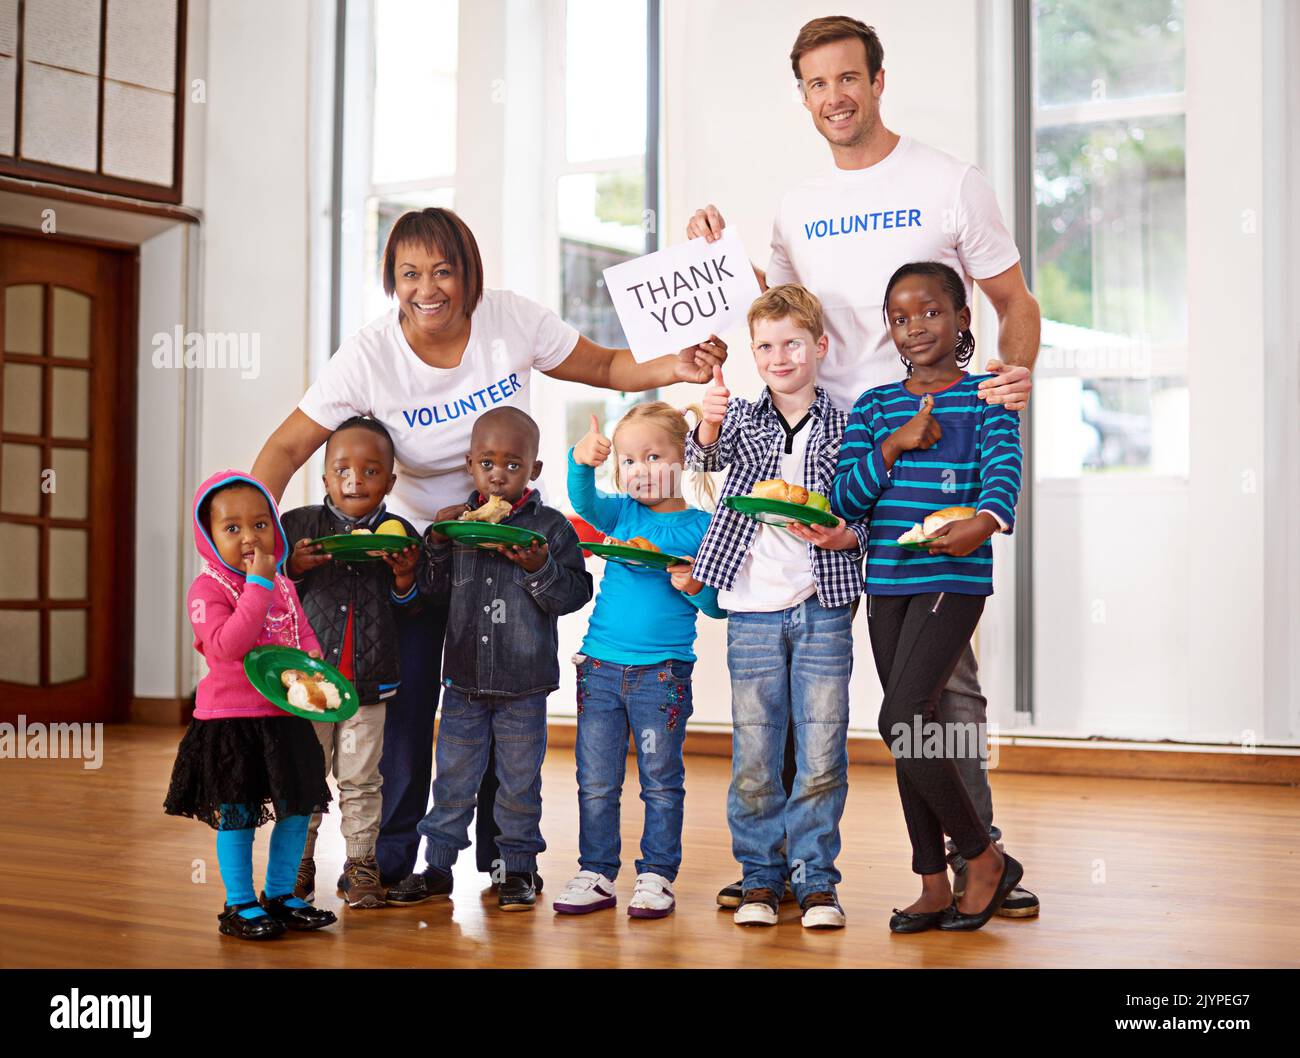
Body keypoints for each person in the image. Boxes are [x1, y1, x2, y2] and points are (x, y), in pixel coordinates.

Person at [251, 208, 726, 899]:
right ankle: (397, 858)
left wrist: (671, 368)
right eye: (409, 274)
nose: (427, 288)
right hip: (420, 550)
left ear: (468, 272)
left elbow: (602, 364)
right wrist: (247, 544)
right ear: (392, 280)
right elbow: (288, 447)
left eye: (442, 270)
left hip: (505, 550)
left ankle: (510, 863)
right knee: (410, 712)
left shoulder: (510, 321)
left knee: (506, 703)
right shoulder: (370, 355)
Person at [686, 15, 1040, 915]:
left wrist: (1013, 375)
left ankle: (978, 863)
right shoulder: (796, 205)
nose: (834, 97)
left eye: (848, 78)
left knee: (939, 682)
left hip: (942, 447)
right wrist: (707, 253)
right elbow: (767, 310)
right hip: (838, 450)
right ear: (802, 95)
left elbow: (1011, 300)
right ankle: (793, 867)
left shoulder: (949, 181)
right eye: (816, 84)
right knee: (828, 664)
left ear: (879, 80)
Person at [830, 261, 1025, 931]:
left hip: (951, 577)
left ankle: (983, 856)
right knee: (913, 728)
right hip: (886, 583)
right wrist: (894, 445)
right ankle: (931, 882)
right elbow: (845, 499)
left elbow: (1003, 471)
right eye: (900, 317)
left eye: (930, 312)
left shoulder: (987, 397)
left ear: (963, 317)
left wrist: (985, 523)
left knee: (902, 718)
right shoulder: (876, 407)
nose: (914, 327)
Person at [686, 285, 868, 930]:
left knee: (821, 751)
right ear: (752, 354)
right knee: (756, 752)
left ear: (820, 347)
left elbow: (867, 510)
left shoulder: (852, 423)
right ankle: (761, 877)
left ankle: (816, 879)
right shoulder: (736, 416)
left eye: (793, 343)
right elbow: (700, 472)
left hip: (823, 601)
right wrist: (706, 422)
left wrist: (848, 535)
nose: (779, 356)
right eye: (765, 345)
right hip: (752, 607)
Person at [401, 407, 593, 911]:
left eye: (513, 464)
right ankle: (437, 867)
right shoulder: (456, 526)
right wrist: (437, 548)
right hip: (462, 682)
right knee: (453, 781)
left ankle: (519, 868)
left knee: (518, 785)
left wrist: (539, 566)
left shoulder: (550, 529)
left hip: (523, 686)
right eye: (487, 462)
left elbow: (574, 594)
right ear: (470, 465)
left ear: (535, 469)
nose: (498, 474)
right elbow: (430, 593)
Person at [553, 403, 726, 919]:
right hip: (600, 670)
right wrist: (580, 460)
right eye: (628, 461)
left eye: (653, 457)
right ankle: (597, 871)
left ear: (684, 459)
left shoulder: (704, 526)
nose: (640, 470)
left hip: (663, 675)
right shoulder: (621, 514)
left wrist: (693, 583)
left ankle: (656, 875)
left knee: (660, 779)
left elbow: (718, 605)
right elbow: (581, 497)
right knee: (597, 778)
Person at [163, 471, 337, 940]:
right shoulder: (208, 589)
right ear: (209, 536)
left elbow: (303, 637)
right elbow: (225, 647)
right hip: (232, 723)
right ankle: (238, 903)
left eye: (260, 525)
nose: (249, 538)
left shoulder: (281, 583)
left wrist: (318, 670)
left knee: (298, 807)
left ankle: (280, 894)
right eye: (232, 528)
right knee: (237, 813)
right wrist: (257, 586)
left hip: (285, 717)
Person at [280, 416, 422, 909]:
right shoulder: (298, 528)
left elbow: (413, 607)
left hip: (369, 683)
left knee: (362, 779)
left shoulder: (398, 533)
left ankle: (361, 863)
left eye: (370, 471)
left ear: (390, 481)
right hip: (307, 684)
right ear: (324, 479)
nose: (354, 481)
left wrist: (404, 577)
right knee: (304, 775)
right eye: (342, 470)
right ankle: (295, 864)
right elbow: (270, 594)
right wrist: (293, 567)